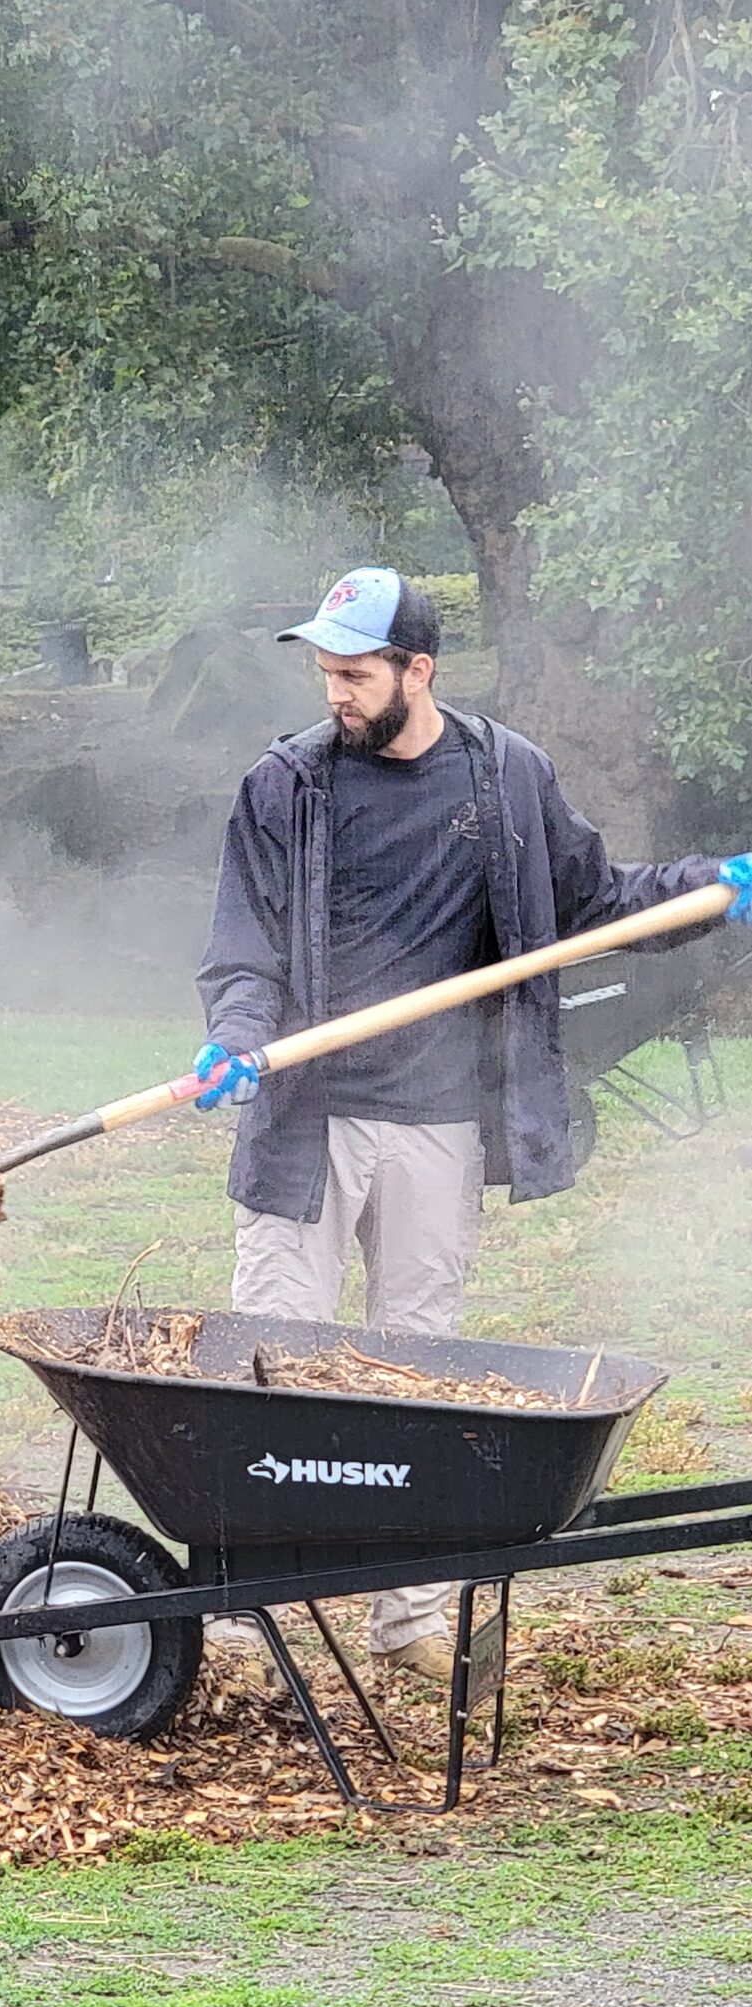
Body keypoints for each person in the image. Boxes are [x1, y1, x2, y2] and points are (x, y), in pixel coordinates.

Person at [194, 565, 752, 1682]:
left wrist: (708, 886)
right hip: (305, 1126)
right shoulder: (285, 787)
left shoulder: (505, 779)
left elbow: (592, 903)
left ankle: (410, 1619)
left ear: (417, 670)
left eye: (353, 674)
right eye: (324, 673)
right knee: (265, 1371)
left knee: (416, 1380)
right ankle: (237, 1619)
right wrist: (236, 1033)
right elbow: (243, 947)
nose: (334, 695)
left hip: (437, 1132)